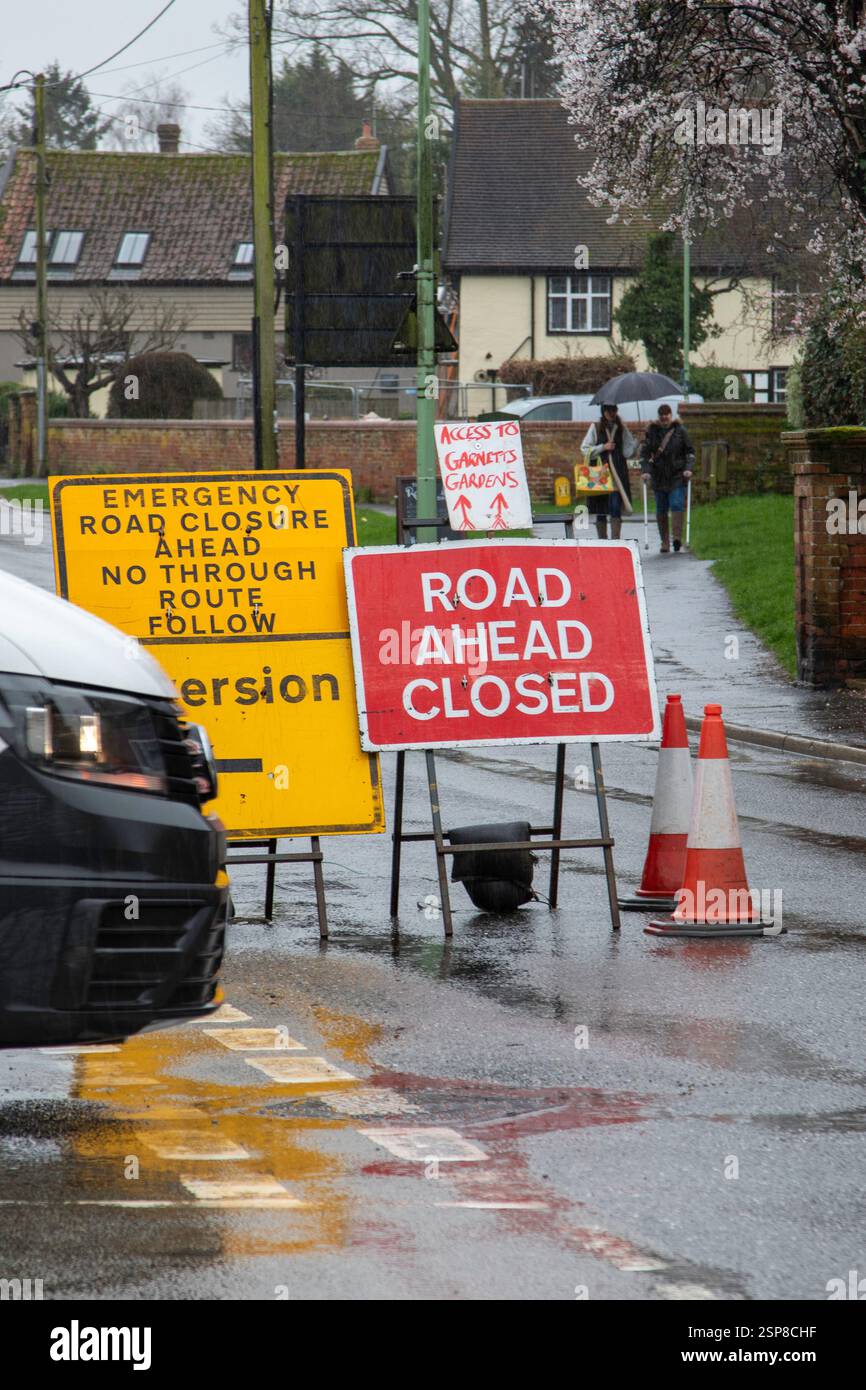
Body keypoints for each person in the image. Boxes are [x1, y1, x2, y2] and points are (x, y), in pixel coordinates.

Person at [640, 403, 695, 553]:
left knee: (677, 504)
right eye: (661, 414)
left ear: (671, 415)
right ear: (659, 416)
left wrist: (688, 469)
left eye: (667, 414)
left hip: (677, 475)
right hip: (659, 476)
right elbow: (645, 454)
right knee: (661, 509)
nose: (664, 417)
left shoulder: (680, 431)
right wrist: (646, 471)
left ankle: (676, 538)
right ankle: (664, 542)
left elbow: (690, 452)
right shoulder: (652, 432)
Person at [581, 402, 636, 539]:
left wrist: (636, 444)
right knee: (601, 510)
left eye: (614, 410)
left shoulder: (622, 428)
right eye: (608, 410)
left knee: (615, 507)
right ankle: (603, 541)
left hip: (617, 473)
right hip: (599, 474)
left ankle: (615, 541)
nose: (611, 413)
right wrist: (603, 447)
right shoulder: (596, 427)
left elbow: (627, 452)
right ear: (603, 411)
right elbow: (585, 449)